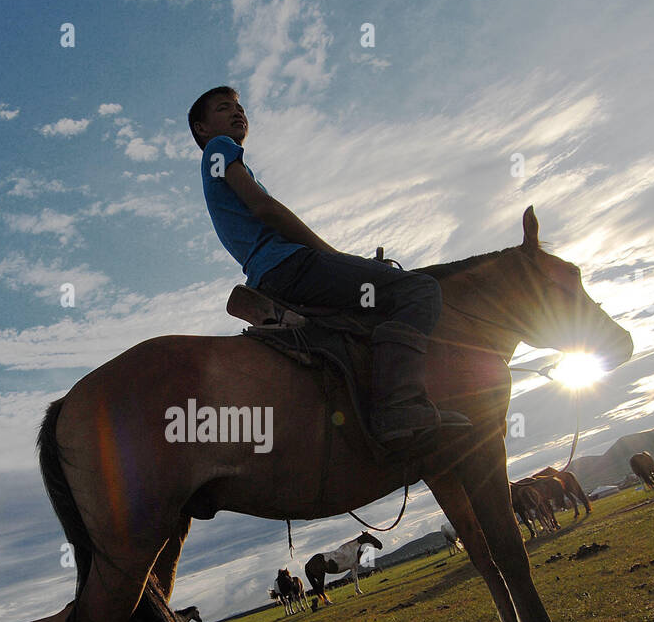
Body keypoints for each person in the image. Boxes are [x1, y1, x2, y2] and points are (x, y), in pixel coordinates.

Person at [189, 85, 470, 451]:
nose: (237, 113)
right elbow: (265, 209)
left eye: (240, 108)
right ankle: (398, 405)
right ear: (202, 128)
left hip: (269, 275)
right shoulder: (220, 149)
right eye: (224, 108)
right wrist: (332, 254)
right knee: (418, 289)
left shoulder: (219, 162)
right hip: (289, 265)